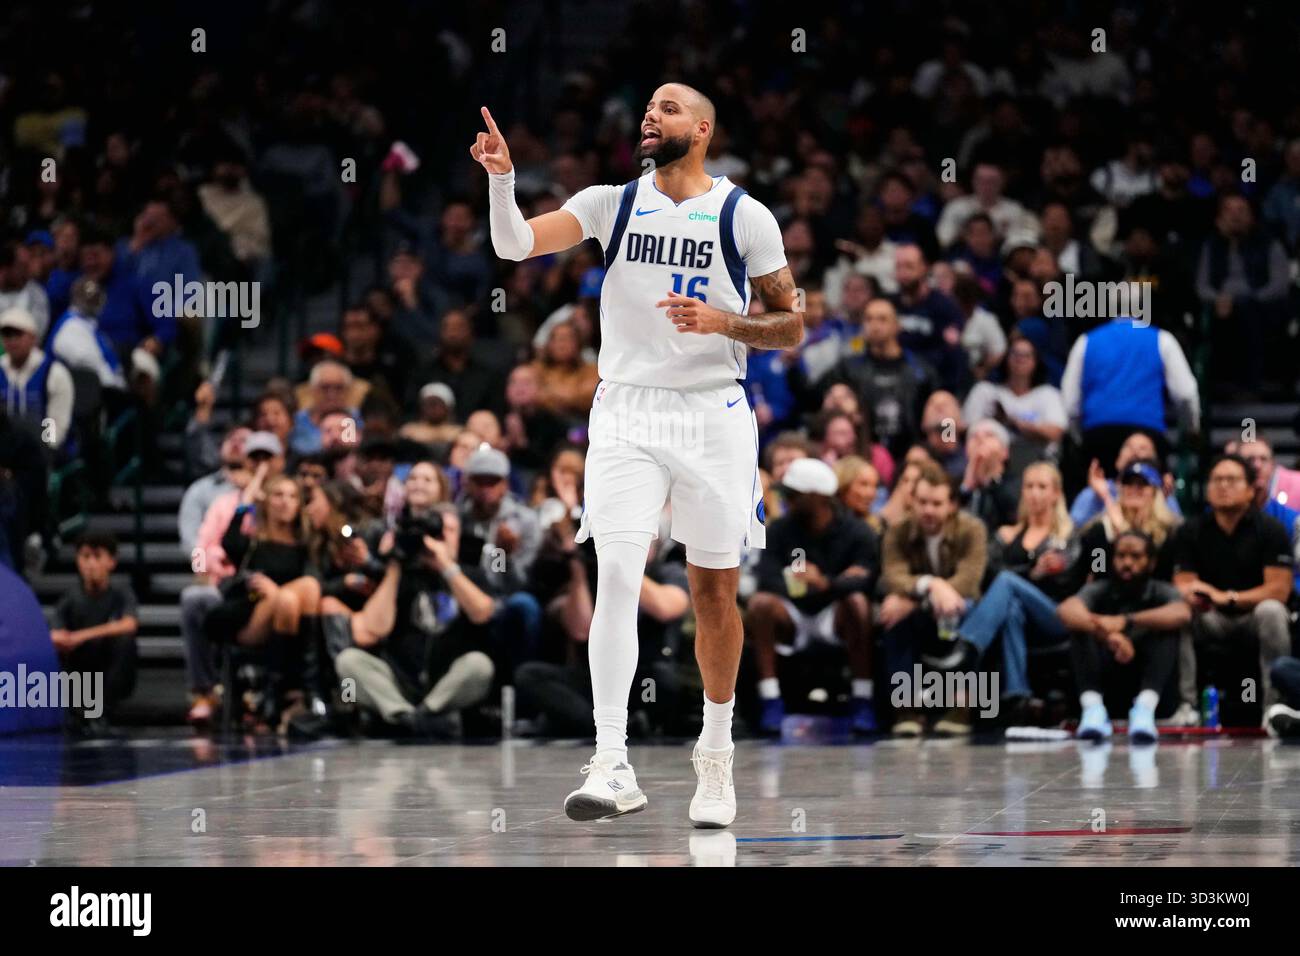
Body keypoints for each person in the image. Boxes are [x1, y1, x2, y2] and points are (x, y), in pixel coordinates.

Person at [476, 82, 801, 827]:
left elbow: (791, 324)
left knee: (715, 591)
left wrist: (724, 320)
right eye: (648, 107)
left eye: (670, 107)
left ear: (705, 127)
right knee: (617, 572)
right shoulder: (609, 203)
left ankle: (714, 755)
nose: (652, 115)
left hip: (713, 414)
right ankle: (611, 759)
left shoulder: (744, 215)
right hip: (624, 410)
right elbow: (512, 245)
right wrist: (503, 180)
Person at [324, 504, 497, 737]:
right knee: (348, 661)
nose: (437, 541)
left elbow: (483, 613)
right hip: (399, 682)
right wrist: (395, 565)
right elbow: (372, 630)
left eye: (448, 532)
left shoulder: (470, 574)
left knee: (480, 665)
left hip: (447, 682)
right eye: (433, 534)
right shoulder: (400, 574)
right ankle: (405, 715)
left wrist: (446, 567)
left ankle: (419, 716)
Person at [746, 458, 877, 734]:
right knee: (760, 605)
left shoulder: (857, 532)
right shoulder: (779, 530)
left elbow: (866, 580)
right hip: (793, 615)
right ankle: (770, 698)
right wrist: (803, 583)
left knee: (857, 603)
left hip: (834, 615)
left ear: (816, 498)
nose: (785, 499)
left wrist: (825, 583)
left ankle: (863, 699)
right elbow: (765, 578)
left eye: (793, 495)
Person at [952, 462, 1077, 724]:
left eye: (1042, 487)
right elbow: (989, 575)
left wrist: (1046, 572)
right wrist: (1032, 573)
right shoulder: (1006, 534)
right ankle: (1018, 695)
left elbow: (1073, 577)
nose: (1034, 493)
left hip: (1056, 613)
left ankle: (966, 648)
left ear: (1056, 493)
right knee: (1011, 607)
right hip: (1017, 615)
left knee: (1009, 582)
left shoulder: (1069, 535)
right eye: (1029, 486)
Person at [1172, 454, 1294, 721]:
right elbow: (1183, 585)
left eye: (1232, 480)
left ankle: (1273, 708)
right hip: (1211, 617)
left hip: (1254, 618)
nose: (1223, 486)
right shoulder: (1190, 531)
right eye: (1217, 480)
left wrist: (1227, 597)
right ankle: (1188, 706)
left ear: (1251, 490)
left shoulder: (1271, 530)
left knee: (1272, 611)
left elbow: (1279, 591)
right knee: (1179, 612)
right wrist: (1196, 595)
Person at [879, 463, 988, 737]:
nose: (928, 510)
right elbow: (893, 576)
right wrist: (932, 584)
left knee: (974, 611)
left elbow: (969, 581)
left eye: (937, 503)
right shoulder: (898, 532)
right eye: (923, 502)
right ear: (912, 502)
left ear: (951, 505)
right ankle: (906, 708)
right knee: (893, 611)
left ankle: (961, 706)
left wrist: (921, 598)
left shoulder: (972, 529)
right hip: (918, 613)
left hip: (960, 608)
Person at [1059, 530, 1190, 743]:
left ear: (1151, 562)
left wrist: (1127, 621)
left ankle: (1144, 710)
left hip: (1152, 690)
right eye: (1121, 556)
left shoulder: (1161, 591)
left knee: (1168, 628)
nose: (1127, 563)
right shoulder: (1101, 588)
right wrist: (1107, 634)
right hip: (1108, 684)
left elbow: (1182, 613)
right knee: (1079, 629)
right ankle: (1092, 710)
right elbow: (1067, 610)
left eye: (1136, 557)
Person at [1060, 314, 1200, 477]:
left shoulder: (1085, 341)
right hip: (1146, 435)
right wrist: (1192, 427)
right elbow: (1185, 394)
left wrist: (1078, 436)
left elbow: (1070, 402)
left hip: (1098, 435)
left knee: (1098, 495)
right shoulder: (1162, 339)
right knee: (1149, 495)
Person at [50, 530, 139, 732]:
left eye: (97, 556)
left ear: (111, 562)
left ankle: (102, 711)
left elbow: (129, 624)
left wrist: (81, 636)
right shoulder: (69, 599)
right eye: (85, 557)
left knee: (124, 641)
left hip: (110, 670)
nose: (90, 564)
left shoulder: (121, 593)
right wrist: (62, 639)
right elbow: (54, 633)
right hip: (81, 670)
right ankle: (74, 709)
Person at [961, 333, 1067, 475]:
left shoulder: (1047, 394)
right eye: (1015, 353)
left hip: (1037, 465)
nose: (1019, 359)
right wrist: (946, 424)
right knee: (943, 404)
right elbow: (963, 429)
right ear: (1006, 358)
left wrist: (1012, 422)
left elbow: (1056, 432)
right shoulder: (985, 391)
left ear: (1036, 361)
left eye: (1026, 355)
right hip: (987, 466)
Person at [1069, 431, 1184, 526]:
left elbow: (1174, 528)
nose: (1135, 452)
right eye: (1128, 447)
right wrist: (1103, 495)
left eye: (1143, 448)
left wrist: (1160, 500)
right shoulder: (1094, 492)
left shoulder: (1164, 496)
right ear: (1117, 461)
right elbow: (1076, 532)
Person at [0, 306, 74, 451]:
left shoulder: (54, 373)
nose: (12, 341)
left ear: (33, 337)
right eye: (7, 334)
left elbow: (56, 423)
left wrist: (44, 449)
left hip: (44, 450)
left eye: (18, 334)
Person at [959, 418, 1020, 533]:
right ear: (966, 450)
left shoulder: (1016, 485)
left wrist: (989, 480)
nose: (980, 439)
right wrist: (966, 487)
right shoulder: (954, 483)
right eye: (974, 436)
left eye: (989, 435)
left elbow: (1013, 515)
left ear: (1005, 452)